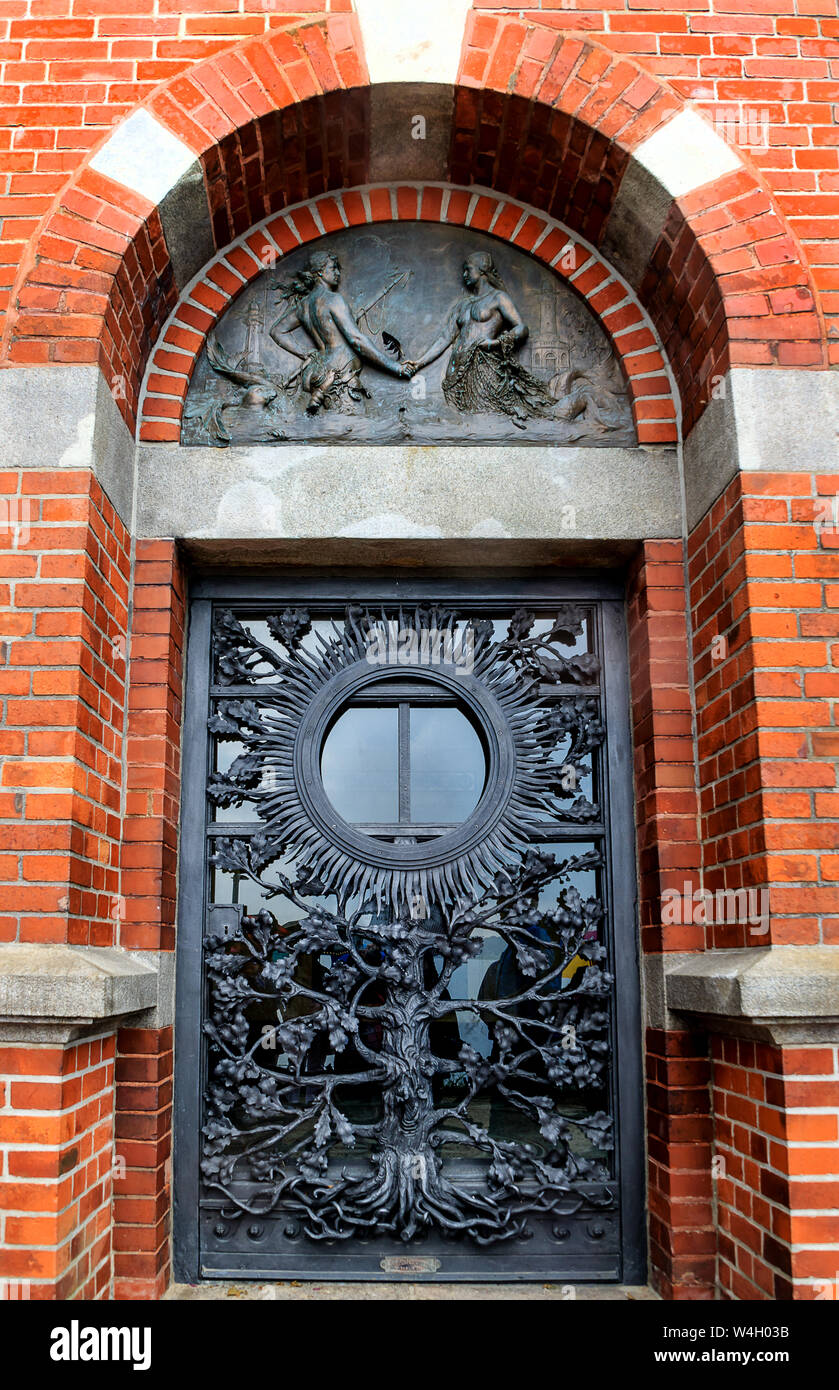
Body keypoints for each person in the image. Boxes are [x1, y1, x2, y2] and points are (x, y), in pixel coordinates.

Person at [403, 250, 555, 427]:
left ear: (482, 270)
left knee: (484, 421)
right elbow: (445, 338)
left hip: (483, 367)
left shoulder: (498, 298)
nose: (464, 274)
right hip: (456, 372)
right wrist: (419, 362)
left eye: (468, 269)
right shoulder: (463, 304)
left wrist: (497, 342)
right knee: (460, 425)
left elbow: (521, 328)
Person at [269, 250, 412, 413]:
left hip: (319, 371)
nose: (337, 273)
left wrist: (305, 353)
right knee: (353, 429)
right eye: (333, 268)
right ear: (320, 272)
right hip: (341, 373)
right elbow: (356, 340)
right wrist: (395, 366)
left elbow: (276, 331)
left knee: (331, 430)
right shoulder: (334, 299)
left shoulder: (303, 305)